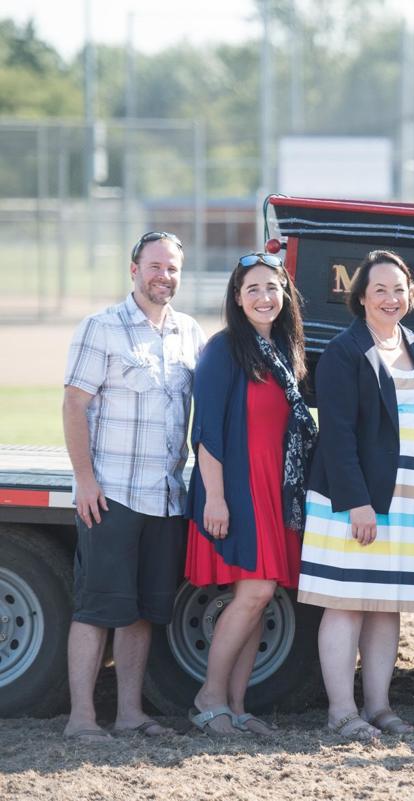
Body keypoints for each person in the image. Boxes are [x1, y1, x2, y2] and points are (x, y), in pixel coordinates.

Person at [61, 231, 206, 740]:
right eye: (154, 266)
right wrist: (85, 480)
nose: (163, 276)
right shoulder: (101, 328)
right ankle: (81, 719)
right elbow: (74, 404)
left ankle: (129, 715)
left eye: (171, 268)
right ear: (133, 269)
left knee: (143, 611)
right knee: (98, 607)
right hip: (112, 494)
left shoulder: (189, 332)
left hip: (166, 497)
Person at [298, 250, 414, 741]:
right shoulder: (343, 351)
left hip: (409, 496)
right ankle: (341, 710)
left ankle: (378, 707)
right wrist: (357, 502)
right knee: (345, 602)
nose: (390, 298)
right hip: (355, 497)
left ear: (411, 295)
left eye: (399, 289)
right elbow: (335, 432)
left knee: (386, 603)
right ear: (360, 297)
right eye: (379, 289)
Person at [184, 252, 316, 737]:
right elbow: (208, 433)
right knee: (255, 590)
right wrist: (214, 499)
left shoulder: (283, 350)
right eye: (253, 289)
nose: (264, 297)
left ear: (285, 295)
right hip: (236, 489)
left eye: (272, 288)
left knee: (261, 595)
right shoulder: (222, 350)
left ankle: (236, 707)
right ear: (237, 300)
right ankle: (208, 698)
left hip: (275, 490)